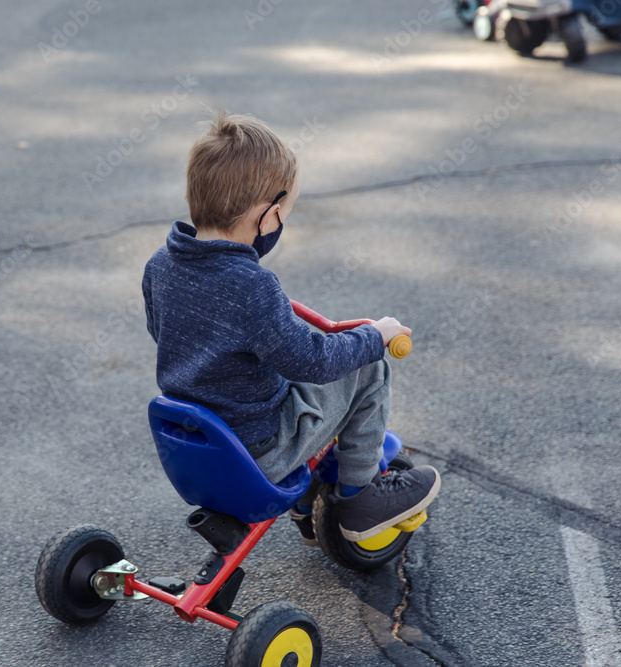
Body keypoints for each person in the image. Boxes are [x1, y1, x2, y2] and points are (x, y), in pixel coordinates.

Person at [142, 111, 440, 543]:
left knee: (269, 368)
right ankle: (361, 497)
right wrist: (375, 336)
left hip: (194, 444)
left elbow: (166, 334)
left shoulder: (161, 265)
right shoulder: (252, 285)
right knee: (365, 366)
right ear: (269, 216)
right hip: (259, 451)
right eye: (286, 215)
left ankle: (305, 504)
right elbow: (314, 362)